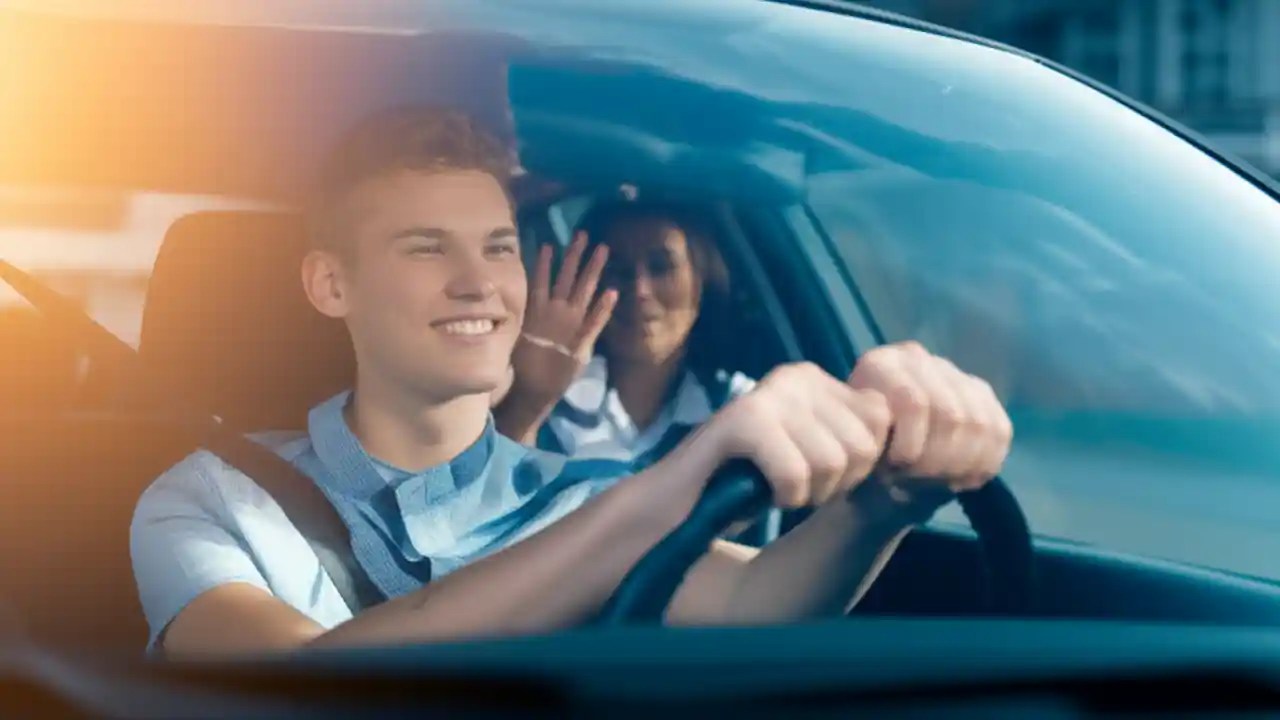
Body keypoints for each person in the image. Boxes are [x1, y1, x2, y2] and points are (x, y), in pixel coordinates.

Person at [130, 107, 1013, 658]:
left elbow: (756, 598)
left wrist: (881, 509)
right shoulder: (210, 500)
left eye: (501, 247)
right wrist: (656, 498)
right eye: (426, 247)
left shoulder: (583, 495)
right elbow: (300, 686)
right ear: (331, 286)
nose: (480, 283)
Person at [492, 200, 778, 542]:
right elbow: (480, 528)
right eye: (618, 270)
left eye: (660, 267)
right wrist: (527, 403)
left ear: (702, 280)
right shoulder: (542, 394)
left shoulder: (734, 406)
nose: (639, 290)